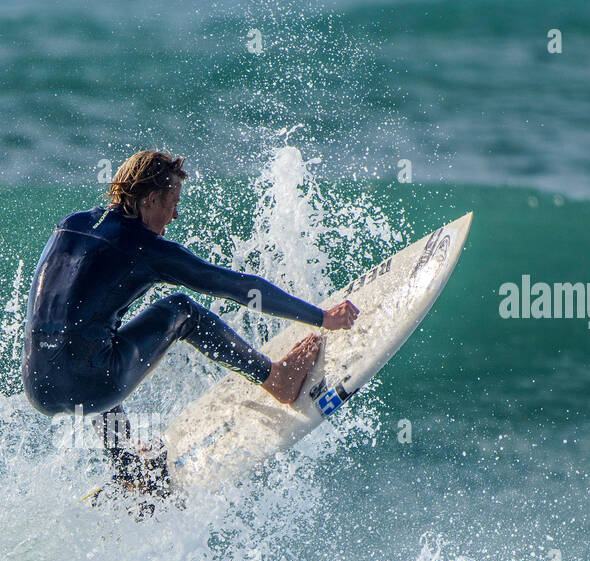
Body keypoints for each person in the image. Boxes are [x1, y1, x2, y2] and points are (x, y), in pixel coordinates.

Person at [21, 149, 358, 426]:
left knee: (90, 336)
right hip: (91, 389)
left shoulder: (71, 224)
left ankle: (127, 470)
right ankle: (276, 379)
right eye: (173, 203)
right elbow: (237, 287)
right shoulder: (146, 250)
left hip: (38, 386)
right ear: (151, 199)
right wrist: (322, 317)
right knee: (183, 311)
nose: (176, 215)